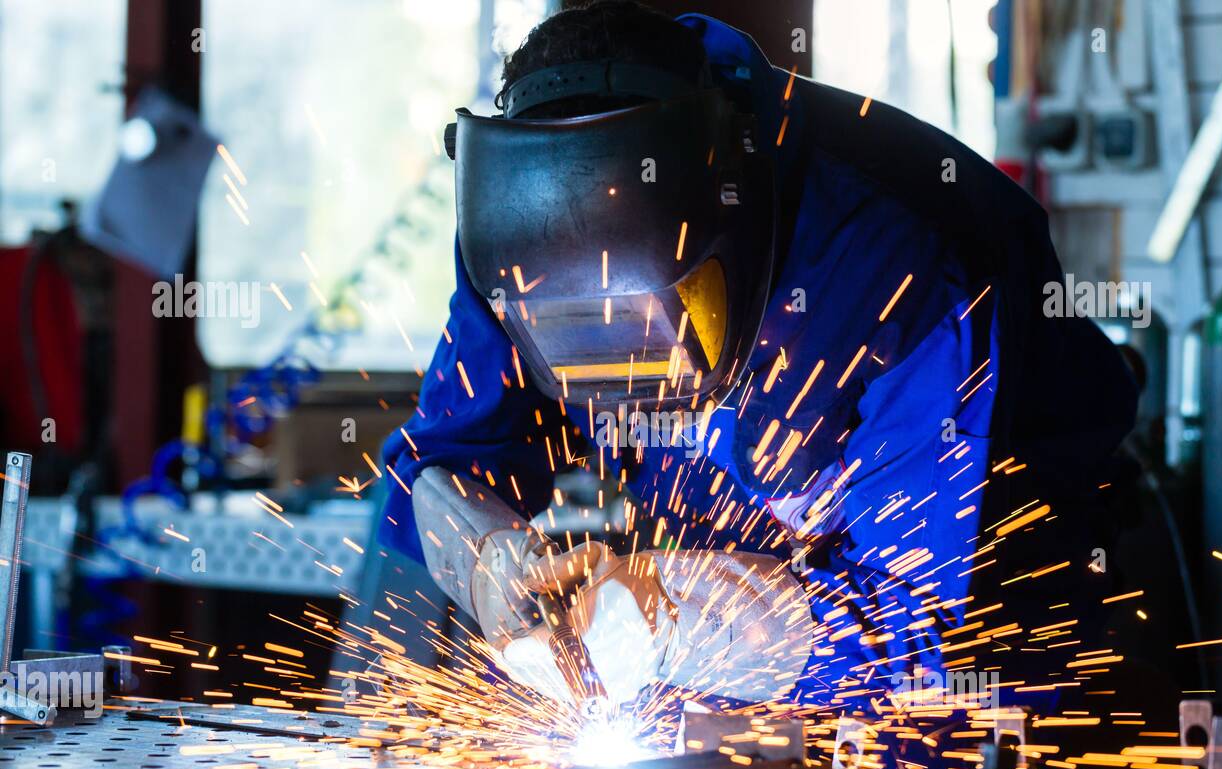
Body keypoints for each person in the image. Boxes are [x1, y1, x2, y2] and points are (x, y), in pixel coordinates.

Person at [380, 1, 1137, 715]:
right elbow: (445, 462)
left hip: (991, 633)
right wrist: (491, 564)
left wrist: (674, 620)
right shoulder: (514, 241)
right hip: (732, 627)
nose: (630, 387)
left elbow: (922, 633)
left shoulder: (902, 262)